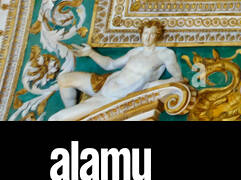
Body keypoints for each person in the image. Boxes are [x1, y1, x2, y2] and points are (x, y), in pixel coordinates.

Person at [52, 21, 181, 121]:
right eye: (145, 33)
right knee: (63, 79)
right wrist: (90, 53)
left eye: (151, 34)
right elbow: (110, 64)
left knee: (56, 119)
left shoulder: (165, 54)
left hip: (112, 98)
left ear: (157, 35)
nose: (147, 37)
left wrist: (150, 87)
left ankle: (76, 113)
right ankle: (73, 110)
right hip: (106, 83)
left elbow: (177, 78)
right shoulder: (135, 52)